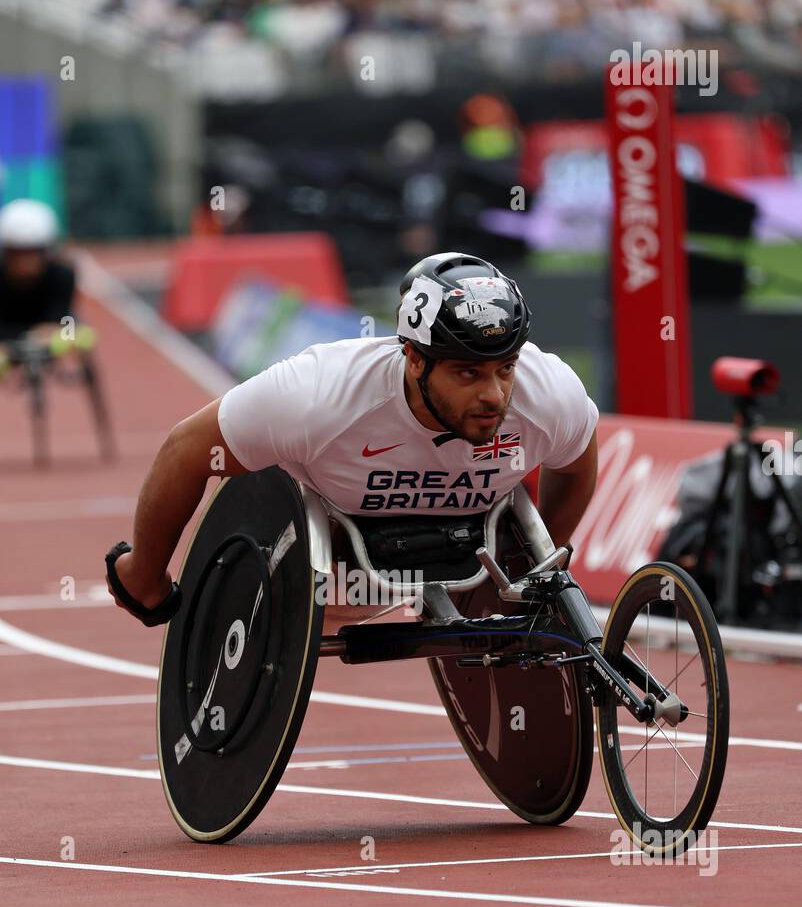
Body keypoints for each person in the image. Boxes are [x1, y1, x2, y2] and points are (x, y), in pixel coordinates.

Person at [108, 250, 598, 632]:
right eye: (468, 373)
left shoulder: (549, 392)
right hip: (337, 564)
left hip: (468, 543)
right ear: (414, 358)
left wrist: (536, 563)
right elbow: (186, 450)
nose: (494, 395)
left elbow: (576, 464)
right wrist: (144, 575)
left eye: (505, 369)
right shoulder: (319, 394)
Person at [0, 198, 112, 458]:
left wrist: (55, 335)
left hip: (52, 336)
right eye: (18, 253)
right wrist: (15, 344)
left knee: (81, 340)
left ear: (47, 252)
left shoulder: (63, 274)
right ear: (5, 252)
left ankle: (105, 435)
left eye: (34, 252)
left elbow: (62, 319)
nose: (26, 262)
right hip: (1, 344)